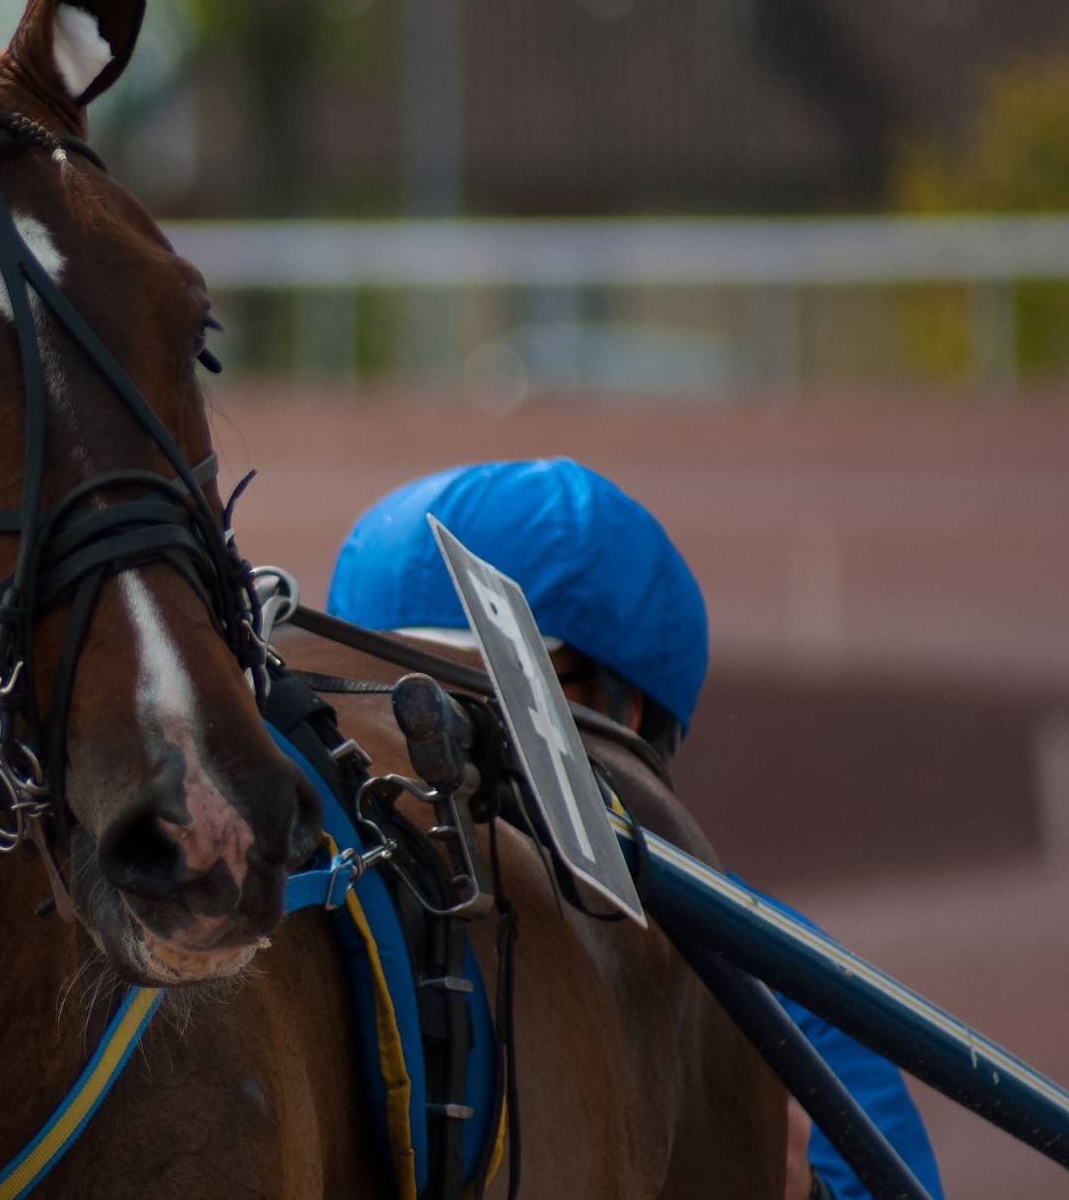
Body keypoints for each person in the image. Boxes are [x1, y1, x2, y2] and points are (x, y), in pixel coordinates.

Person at [327, 458, 944, 1200]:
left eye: (487, 686)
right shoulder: (788, 984)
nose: (424, 730)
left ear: (625, 716)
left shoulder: (781, 996)